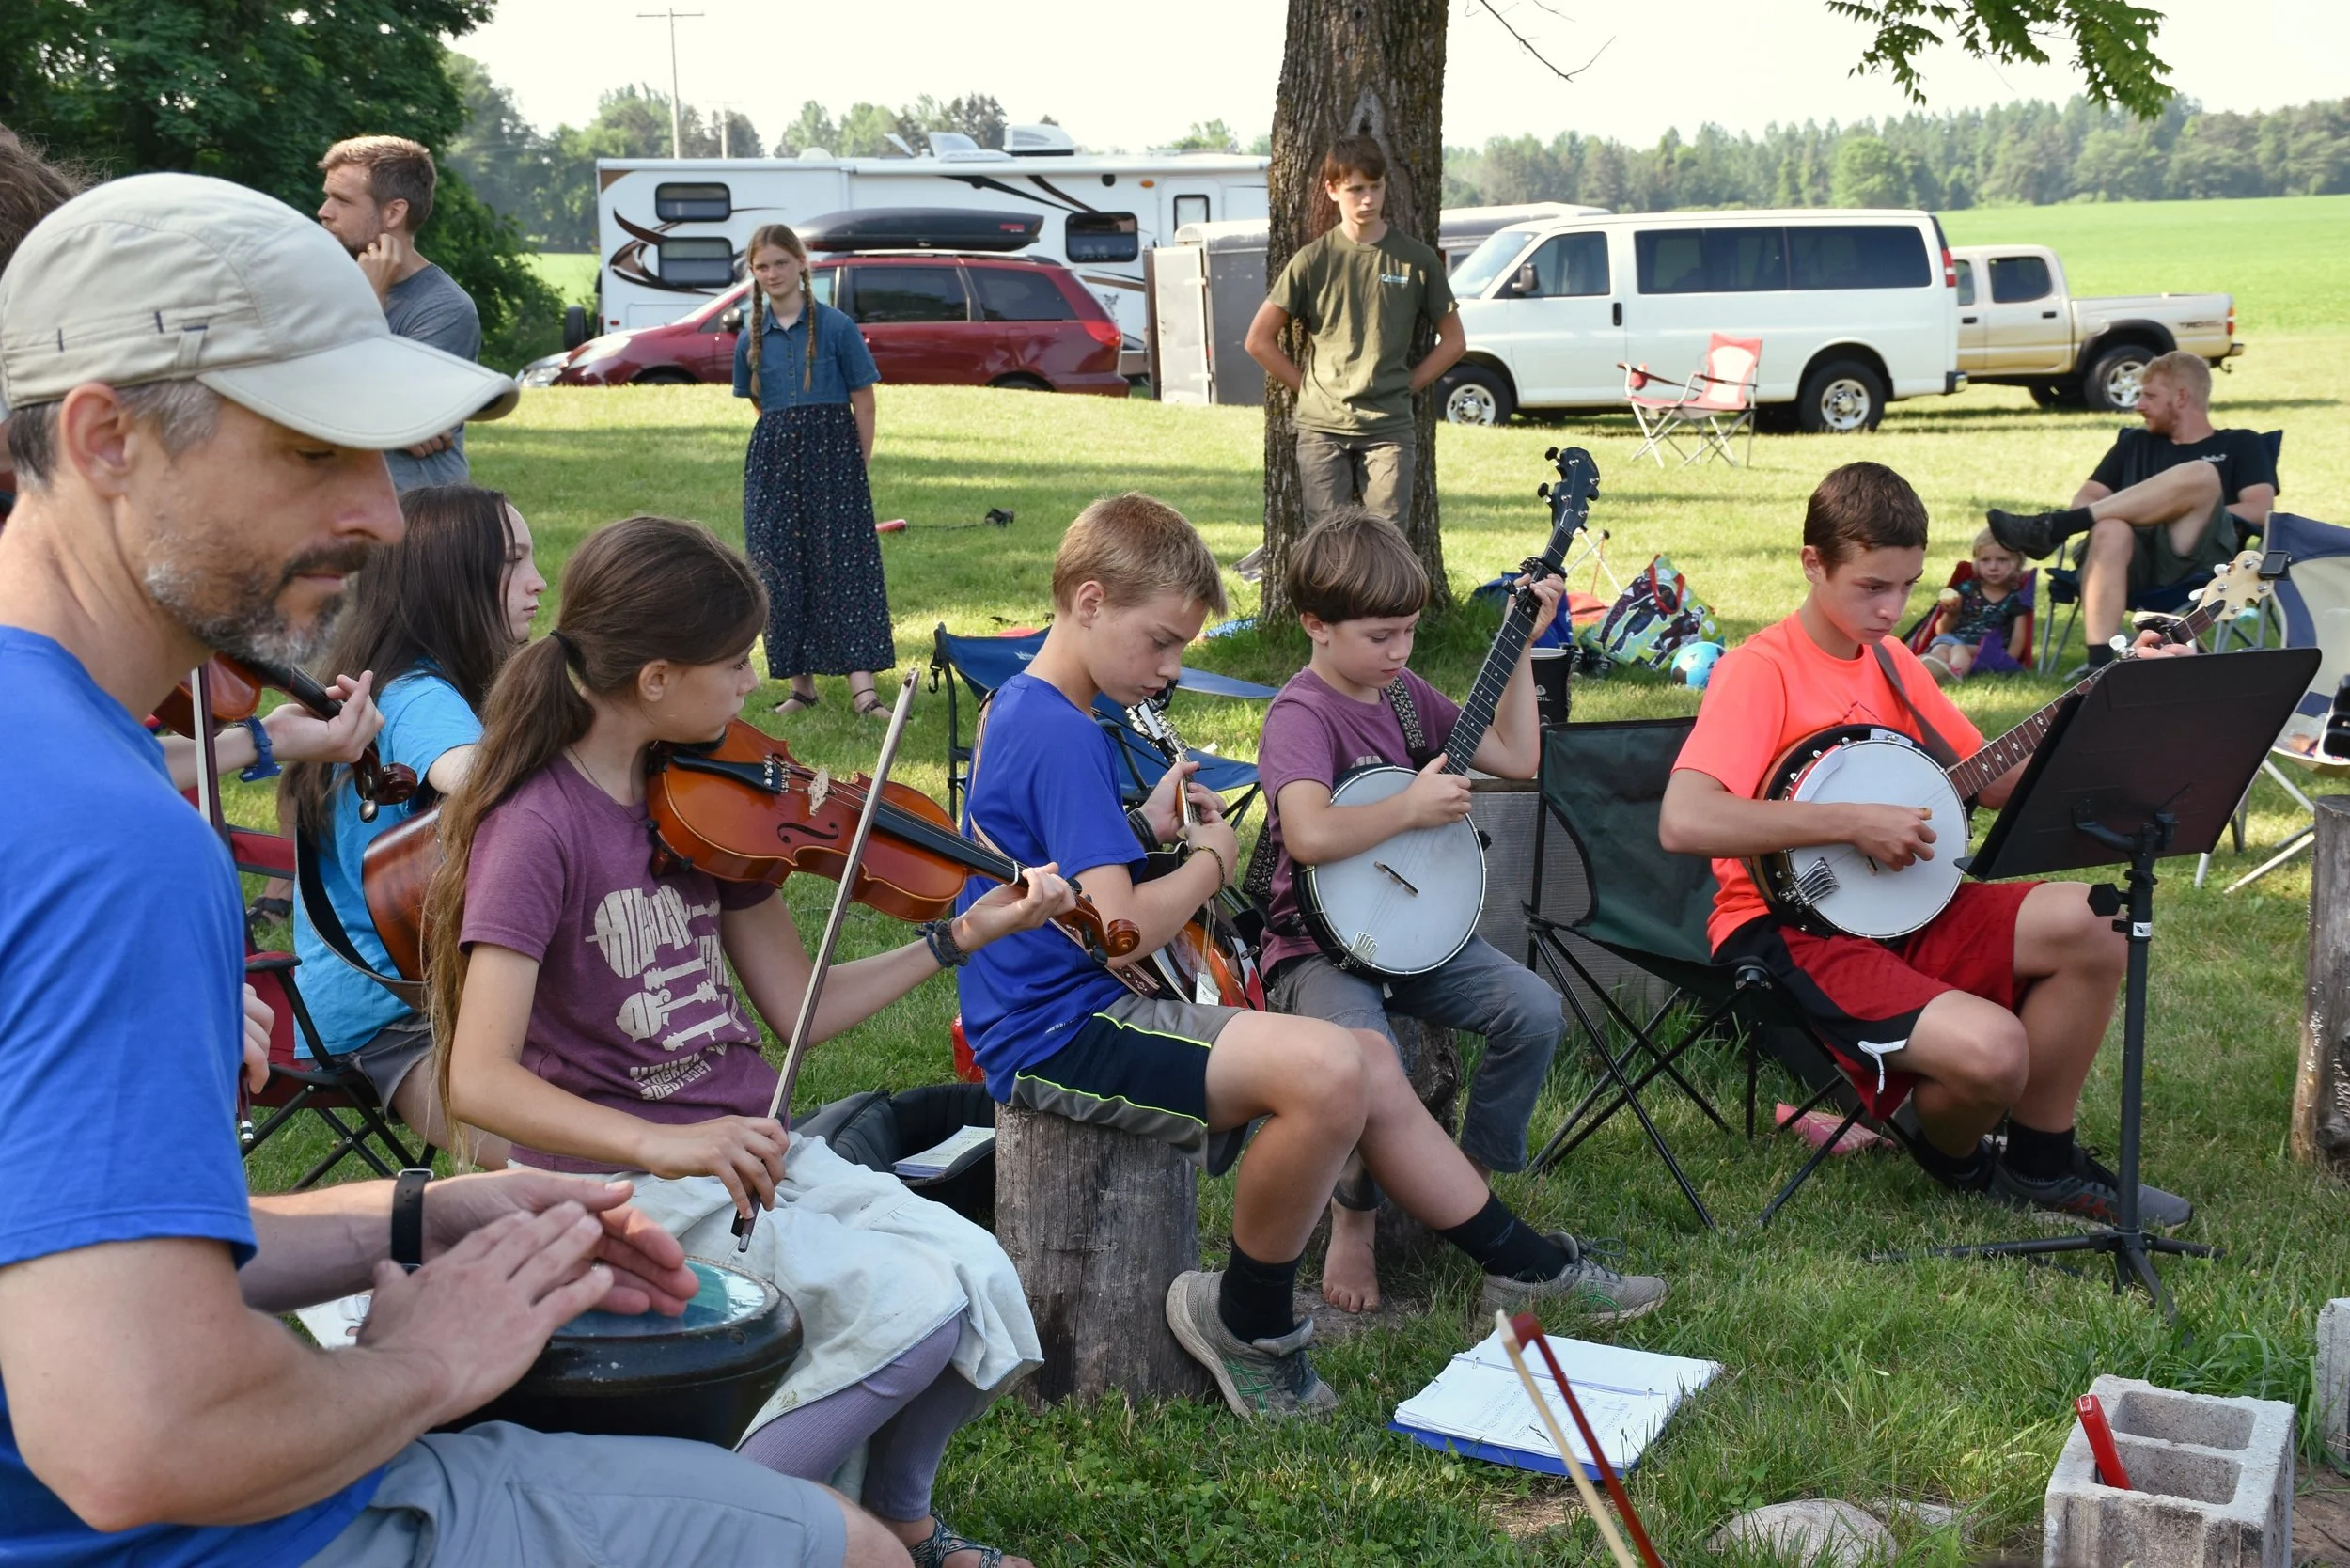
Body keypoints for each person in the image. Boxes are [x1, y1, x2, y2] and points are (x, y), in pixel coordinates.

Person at [0, 171, 906, 1568]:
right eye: (314, 453)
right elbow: (141, 1439)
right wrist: (431, 1354)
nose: (381, 511)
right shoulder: (111, 841)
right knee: (849, 1550)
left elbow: (74, 1249)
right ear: (107, 439)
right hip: (202, 1536)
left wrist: (426, 1211)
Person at [431, 513, 1063, 1568]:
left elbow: (800, 1010)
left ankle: (900, 1523)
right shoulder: (535, 828)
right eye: (733, 668)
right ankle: (717, 1535)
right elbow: (478, 1079)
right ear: (656, 677)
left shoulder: (707, 798)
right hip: (625, 1180)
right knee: (907, 1309)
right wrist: (661, 1146)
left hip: (742, 1149)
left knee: (977, 1271)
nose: (750, 692)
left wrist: (954, 940)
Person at [954, 493, 1666, 1421]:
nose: (1171, 669)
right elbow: (1125, 928)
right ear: (1089, 603)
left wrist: (1140, 827)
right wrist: (1209, 863)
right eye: (1161, 643)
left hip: (1076, 999)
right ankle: (1252, 1320)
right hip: (1059, 1027)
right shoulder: (1058, 730)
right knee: (1333, 1068)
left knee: (1355, 1063)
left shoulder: (1041, 709)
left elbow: (1066, 888)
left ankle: (1519, 1262)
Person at [1657, 462, 2194, 1228]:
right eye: (1872, 587)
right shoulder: (1759, 670)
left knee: (2098, 922)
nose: (1892, 608)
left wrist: (2120, 695)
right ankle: (1952, 1153)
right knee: (1996, 1055)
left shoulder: (1893, 661)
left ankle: (2042, 1165)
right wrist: (1849, 822)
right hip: (1792, 925)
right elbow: (1686, 820)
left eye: (1908, 586)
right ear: (1814, 563)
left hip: (1906, 901)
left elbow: (1997, 779)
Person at [1253, 509, 1569, 1314]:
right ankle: (1353, 1221)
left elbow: (1519, 760)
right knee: (1369, 1064)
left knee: (1533, 1009)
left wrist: (1522, 651)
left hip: (1415, 937)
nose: (1398, 653)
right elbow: (1310, 832)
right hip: (1317, 949)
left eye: (1410, 634)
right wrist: (1410, 808)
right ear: (1315, 625)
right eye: (1381, 635)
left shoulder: (1404, 698)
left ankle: (1470, 1195)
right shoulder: (1303, 714)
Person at [284, 482, 549, 1167]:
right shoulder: (419, 695)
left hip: (409, 999)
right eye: (514, 562)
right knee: (584, 1160)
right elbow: (481, 782)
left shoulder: (395, 680)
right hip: (399, 1020)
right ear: (451, 581)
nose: (538, 582)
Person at [1986, 351, 2276, 665]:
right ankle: (2100, 666)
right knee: (2112, 527)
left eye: (2149, 396)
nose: (2138, 406)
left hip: (2192, 559)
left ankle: (2056, 527)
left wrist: (2179, 505)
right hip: (2122, 558)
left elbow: (2259, 509)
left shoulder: (2239, 443)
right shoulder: (2134, 443)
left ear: (2181, 397)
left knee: (2202, 474)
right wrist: (2135, 511)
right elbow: (2083, 500)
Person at [1244, 134, 1465, 528]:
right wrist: (1307, 389)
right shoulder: (1313, 260)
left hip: (1390, 427)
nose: (1368, 199)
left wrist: (1408, 385)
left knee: (1389, 543)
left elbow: (1455, 342)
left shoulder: (1417, 260)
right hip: (1321, 427)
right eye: (1356, 189)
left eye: (1375, 187)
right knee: (1327, 546)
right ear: (1332, 190)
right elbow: (1258, 340)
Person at [733, 222, 891, 719]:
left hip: (835, 461)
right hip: (773, 466)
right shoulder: (749, 338)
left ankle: (863, 690)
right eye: (762, 266)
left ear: (801, 263)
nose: (773, 273)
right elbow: (761, 406)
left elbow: (863, 402)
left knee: (844, 565)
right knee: (779, 566)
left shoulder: (838, 327)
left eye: (781, 262)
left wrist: (855, 464)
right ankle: (802, 687)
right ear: (753, 274)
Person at [317, 134, 482, 493]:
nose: (324, 211)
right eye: (327, 196)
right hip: (329, 511)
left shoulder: (445, 308)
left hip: (415, 525)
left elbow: (373, 412)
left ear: (394, 212)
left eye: (342, 200)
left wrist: (368, 299)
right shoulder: (313, 289)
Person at [1920, 528, 2030, 683]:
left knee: (1958, 649)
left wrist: (2006, 662)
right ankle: (1923, 669)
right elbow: (1941, 631)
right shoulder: (1966, 589)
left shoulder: (2016, 598)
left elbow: (2018, 639)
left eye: (2002, 560)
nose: (1993, 567)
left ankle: (1953, 673)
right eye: (1985, 560)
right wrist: (1952, 614)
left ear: (2018, 562)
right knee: (1941, 648)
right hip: (1952, 640)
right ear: (1976, 562)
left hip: (1986, 649)